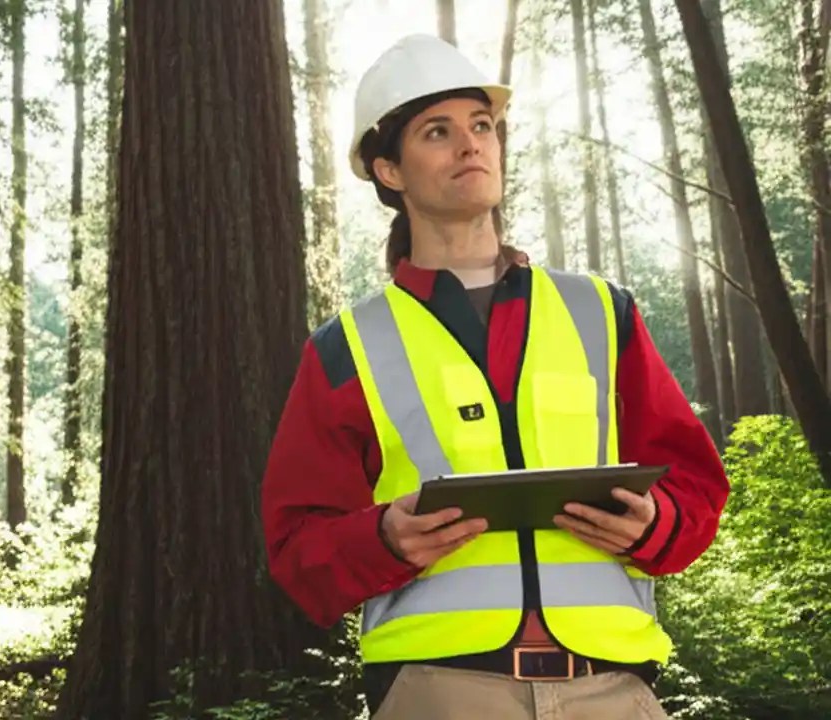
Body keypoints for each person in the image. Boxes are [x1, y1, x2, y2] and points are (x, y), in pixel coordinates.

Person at [261, 34, 730, 719]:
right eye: (438, 132)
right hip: (438, 690)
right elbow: (296, 547)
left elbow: (697, 485)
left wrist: (654, 524)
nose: (470, 146)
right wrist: (383, 540)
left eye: (482, 126)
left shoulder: (602, 312)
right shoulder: (347, 348)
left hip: (615, 689)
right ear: (389, 170)